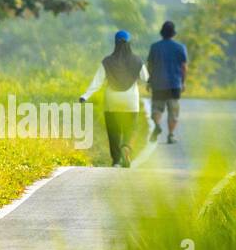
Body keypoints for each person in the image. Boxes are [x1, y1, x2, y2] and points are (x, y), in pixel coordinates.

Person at [80, 30, 148, 167]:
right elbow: (146, 78)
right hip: (130, 100)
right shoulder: (137, 60)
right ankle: (126, 147)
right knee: (129, 128)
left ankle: (116, 160)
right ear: (129, 43)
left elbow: (97, 82)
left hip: (113, 100)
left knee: (113, 130)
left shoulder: (107, 61)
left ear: (115, 43)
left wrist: (84, 96)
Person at [146, 20, 188, 144]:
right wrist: (183, 82)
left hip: (158, 84)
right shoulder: (180, 47)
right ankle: (170, 135)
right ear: (173, 33)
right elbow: (184, 67)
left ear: (162, 33)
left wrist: (149, 80)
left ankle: (157, 126)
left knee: (156, 109)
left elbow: (150, 66)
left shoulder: (154, 47)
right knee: (173, 111)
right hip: (174, 84)